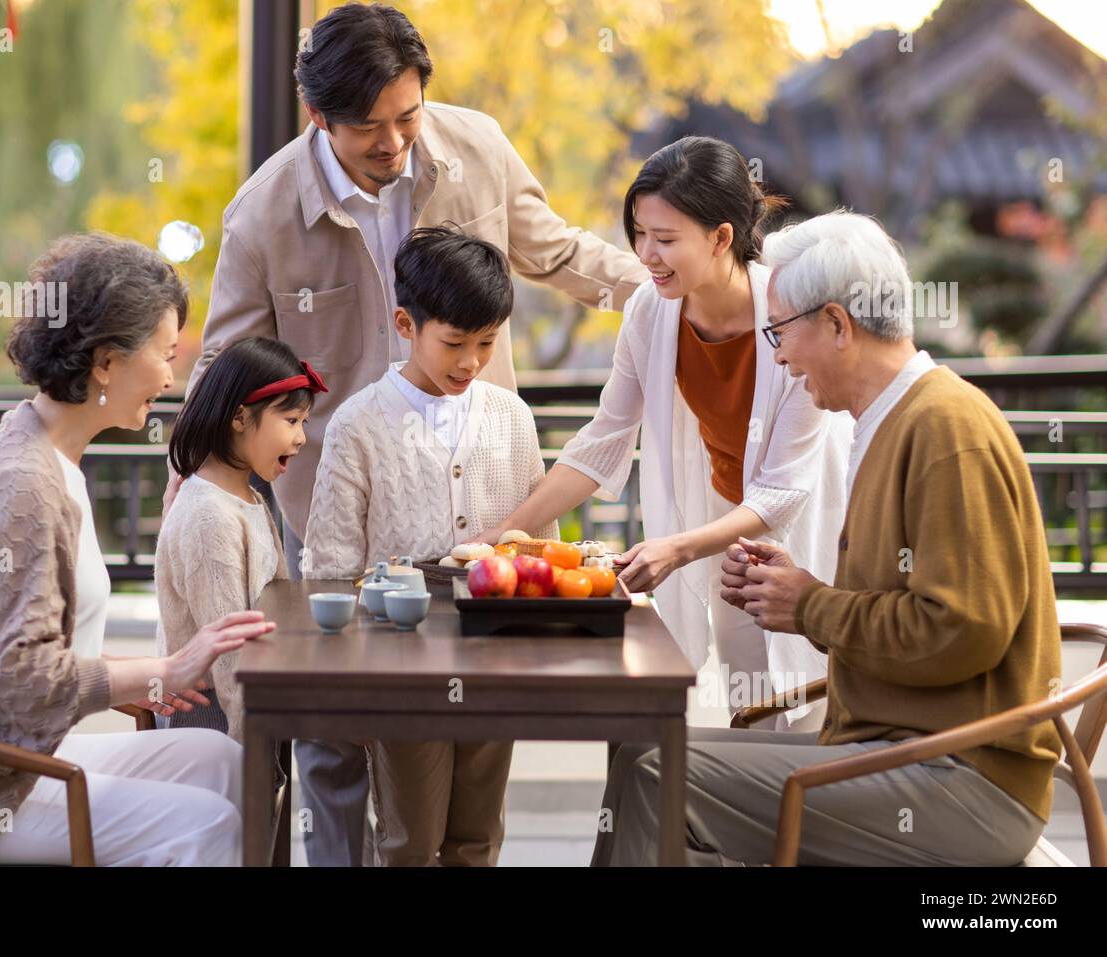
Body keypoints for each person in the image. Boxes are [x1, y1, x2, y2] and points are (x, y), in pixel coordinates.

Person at [173, 1, 645, 867]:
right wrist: (186, 498)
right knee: (334, 738)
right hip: (333, 511)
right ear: (318, 115)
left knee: (468, 742)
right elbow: (224, 367)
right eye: (368, 128)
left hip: (475, 513)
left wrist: (665, 287)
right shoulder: (265, 211)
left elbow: (562, 254)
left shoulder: (476, 147)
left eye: (407, 116)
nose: (394, 143)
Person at [594, 211, 1062, 866]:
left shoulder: (944, 431)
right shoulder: (888, 421)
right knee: (643, 756)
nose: (778, 356)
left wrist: (810, 605)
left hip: (962, 779)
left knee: (657, 778)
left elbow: (964, 628)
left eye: (780, 332)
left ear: (839, 324)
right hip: (894, 745)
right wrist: (789, 591)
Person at [0, 234, 275, 866]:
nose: (170, 375)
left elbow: (20, 641)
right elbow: (19, 679)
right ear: (106, 362)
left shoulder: (40, 451)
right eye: (163, 354)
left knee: (223, 761)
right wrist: (158, 672)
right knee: (204, 824)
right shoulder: (25, 486)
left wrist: (134, 681)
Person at [485, 136, 852, 728]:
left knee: (810, 700)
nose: (646, 255)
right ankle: (762, 817)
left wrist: (677, 550)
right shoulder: (652, 311)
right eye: (639, 233)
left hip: (806, 528)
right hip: (724, 527)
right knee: (751, 703)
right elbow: (605, 438)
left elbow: (784, 492)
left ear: (722, 237)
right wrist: (505, 533)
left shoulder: (790, 313)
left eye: (666, 239)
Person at [304, 226, 558, 865]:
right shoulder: (358, 424)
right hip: (400, 668)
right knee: (409, 840)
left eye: (486, 343)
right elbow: (330, 567)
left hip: (495, 660)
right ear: (404, 323)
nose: (470, 362)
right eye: (453, 343)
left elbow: (540, 546)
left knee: (479, 836)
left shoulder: (512, 417)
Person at [155, 337, 323, 741]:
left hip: (247, 697)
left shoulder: (246, 496)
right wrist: (252, 757)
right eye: (290, 421)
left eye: (303, 422)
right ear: (239, 418)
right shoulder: (209, 516)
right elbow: (229, 661)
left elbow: (277, 601)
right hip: (213, 717)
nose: (301, 438)